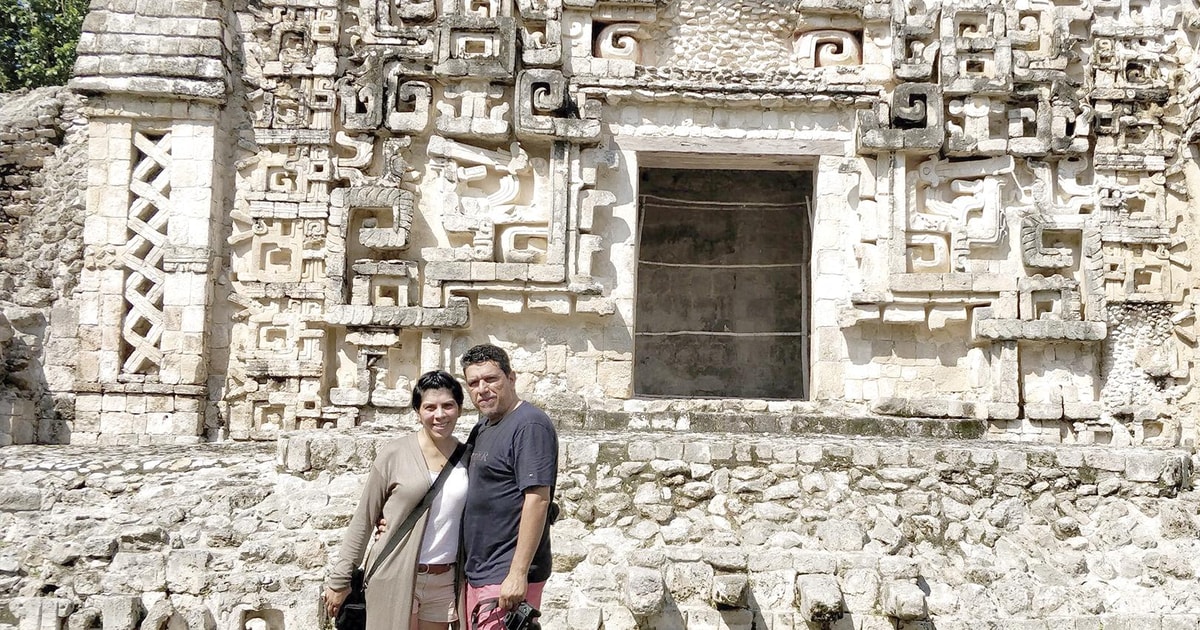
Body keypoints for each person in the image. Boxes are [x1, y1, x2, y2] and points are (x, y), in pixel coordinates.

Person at [323, 370, 470, 630]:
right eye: (430, 407)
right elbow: (365, 519)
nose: (440, 415)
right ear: (417, 411)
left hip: (444, 579)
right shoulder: (395, 454)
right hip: (395, 573)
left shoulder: (468, 458)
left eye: (448, 406)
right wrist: (340, 579)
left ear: (459, 408)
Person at [459, 344, 559, 630]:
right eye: (474, 383)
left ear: (511, 378)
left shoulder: (529, 425)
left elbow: (537, 500)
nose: (482, 389)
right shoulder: (484, 427)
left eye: (491, 379)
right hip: (479, 571)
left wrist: (517, 574)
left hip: (505, 577)